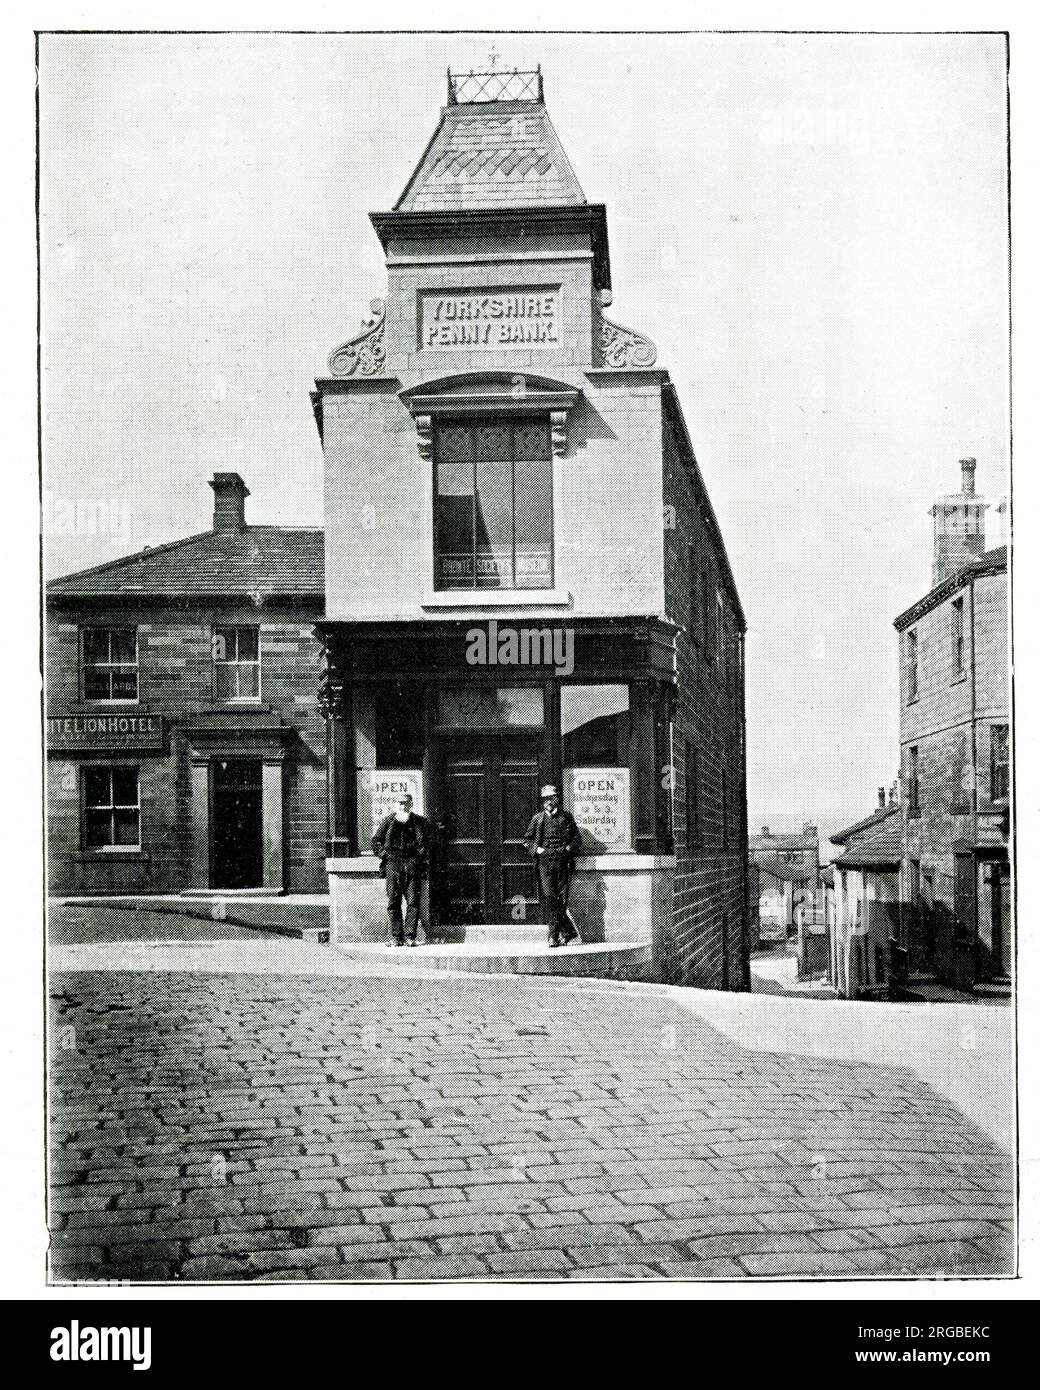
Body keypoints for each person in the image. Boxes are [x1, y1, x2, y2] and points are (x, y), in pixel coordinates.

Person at [523, 785, 583, 947]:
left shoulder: (566, 817)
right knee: (550, 897)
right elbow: (526, 841)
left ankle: (554, 937)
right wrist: (538, 849)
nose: (548, 801)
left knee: (562, 900)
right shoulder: (538, 819)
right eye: (545, 799)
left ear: (557, 799)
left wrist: (568, 848)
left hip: (563, 862)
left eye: (551, 798)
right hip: (545, 863)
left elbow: (577, 839)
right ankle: (566, 931)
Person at [372, 792, 430, 947]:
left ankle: (410, 936)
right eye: (400, 803)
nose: (402, 806)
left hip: (412, 866)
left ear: (411, 804)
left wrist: (421, 857)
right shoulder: (388, 821)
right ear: (396, 805)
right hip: (393, 866)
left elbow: (428, 842)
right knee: (393, 902)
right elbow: (376, 841)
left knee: (413, 902)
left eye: (405, 803)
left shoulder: (420, 822)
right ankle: (397, 937)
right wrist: (384, 854)